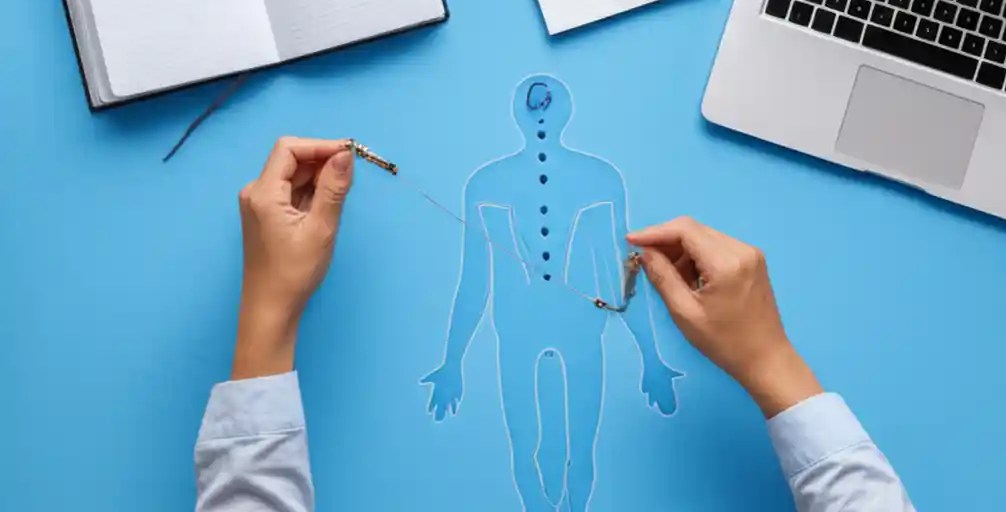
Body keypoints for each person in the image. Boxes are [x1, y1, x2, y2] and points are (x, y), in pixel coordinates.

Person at [194, 138, 914, 511]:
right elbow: (479, 270)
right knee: (530, 446)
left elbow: (610, 261)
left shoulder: (597, 178)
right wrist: (773, 366)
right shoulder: (489, 183)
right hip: (519, 326)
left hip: (575, 331)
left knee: (570, 451)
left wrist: (268, 310)